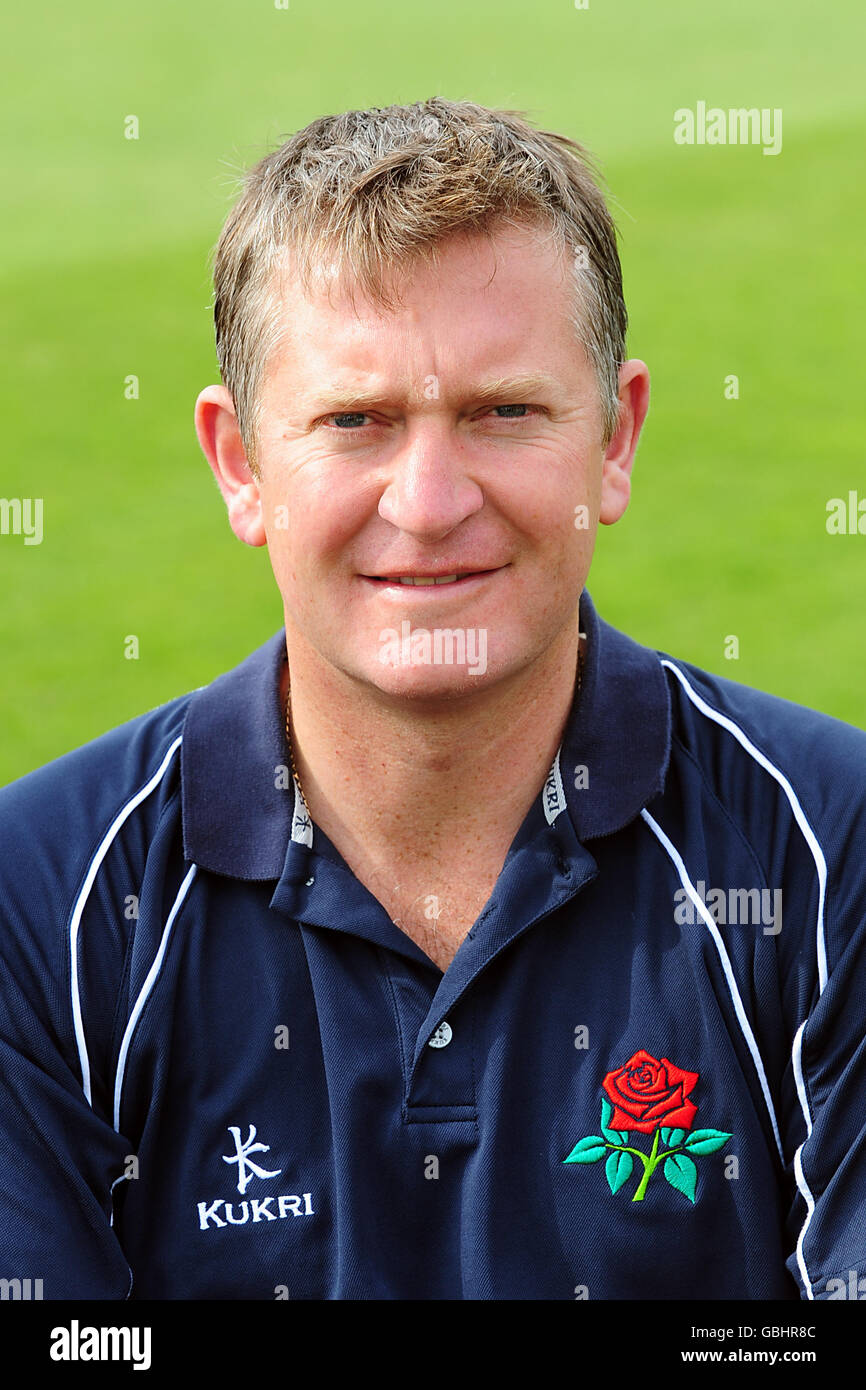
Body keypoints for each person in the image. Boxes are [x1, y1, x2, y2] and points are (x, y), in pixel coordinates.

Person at [1, 96, 863, 1302]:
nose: (429, 500)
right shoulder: (35, 898)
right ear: (240, 465)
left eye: (502, 412)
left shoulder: (833, 852)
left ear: (613, 438)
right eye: (354, 422)